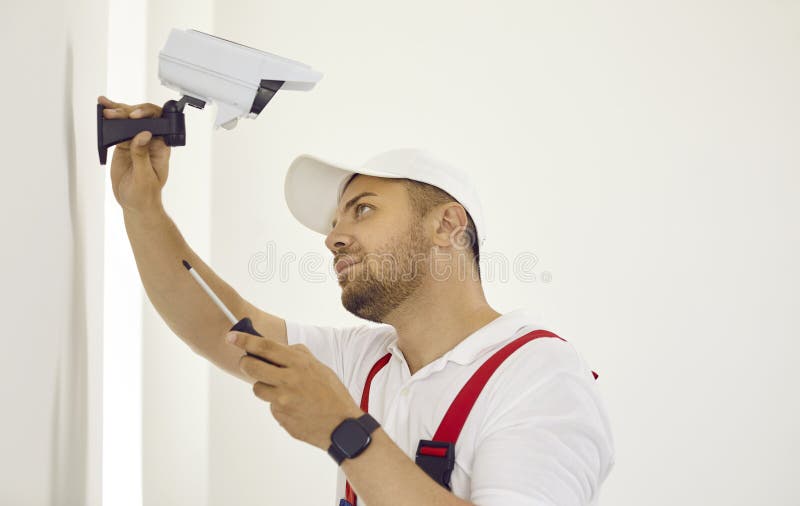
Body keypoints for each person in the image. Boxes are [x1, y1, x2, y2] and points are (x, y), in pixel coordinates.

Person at [99, 95, 615, 506]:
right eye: (334, 222)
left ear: (447, 225)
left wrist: (345, 429)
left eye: (362, 210)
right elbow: (222, 328)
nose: (333, 238)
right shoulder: (367, 362)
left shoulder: (541, 377)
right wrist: (142, 208)